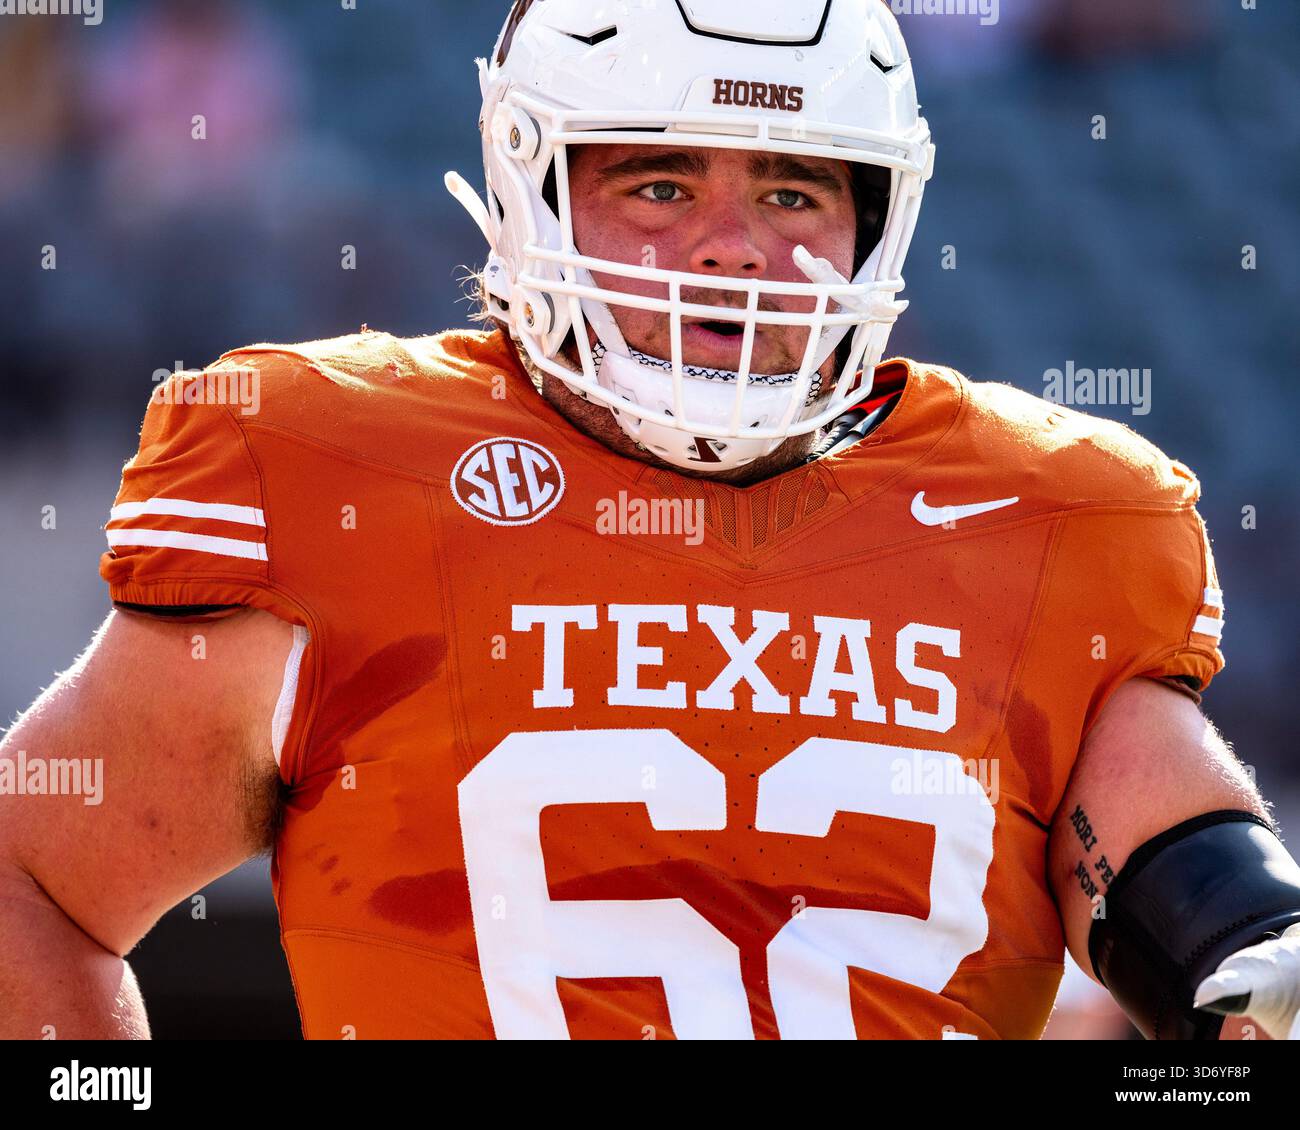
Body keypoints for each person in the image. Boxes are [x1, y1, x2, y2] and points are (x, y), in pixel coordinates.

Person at [2, 0, 1298, 1041]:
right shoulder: (339, 476)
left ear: (874, 220)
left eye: (794, 191)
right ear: (536, 188)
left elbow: (1227, 938)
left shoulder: (1050, 522)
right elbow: (36, 889)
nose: (734, 245)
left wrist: (1253, 961)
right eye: (663, 185)